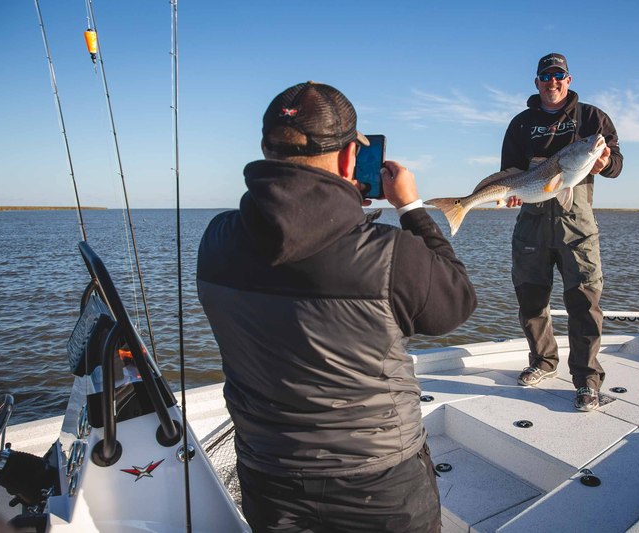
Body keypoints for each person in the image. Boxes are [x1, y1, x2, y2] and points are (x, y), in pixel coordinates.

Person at [197, 81, 477, 532]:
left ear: (267, 149)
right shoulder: (391, 254)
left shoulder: (216, 240)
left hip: (268, 477)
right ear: (350, 159)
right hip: (380, 485)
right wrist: (411, 208)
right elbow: (456, 303)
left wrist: (337, 209)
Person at [501, 53, 623, 412]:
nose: (552, 82)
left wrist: (603, 161)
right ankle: (542, 362)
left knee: (585, 304)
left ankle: (586, 380)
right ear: (536, 82)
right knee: (531, 301)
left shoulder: (592, 119)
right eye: (545, 76)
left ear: (568, 79)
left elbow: (616, 163)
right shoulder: (521, 124)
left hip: (577, 227)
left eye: (559, 75)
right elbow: (509, 171)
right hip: (531, 227)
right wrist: (509, 192)